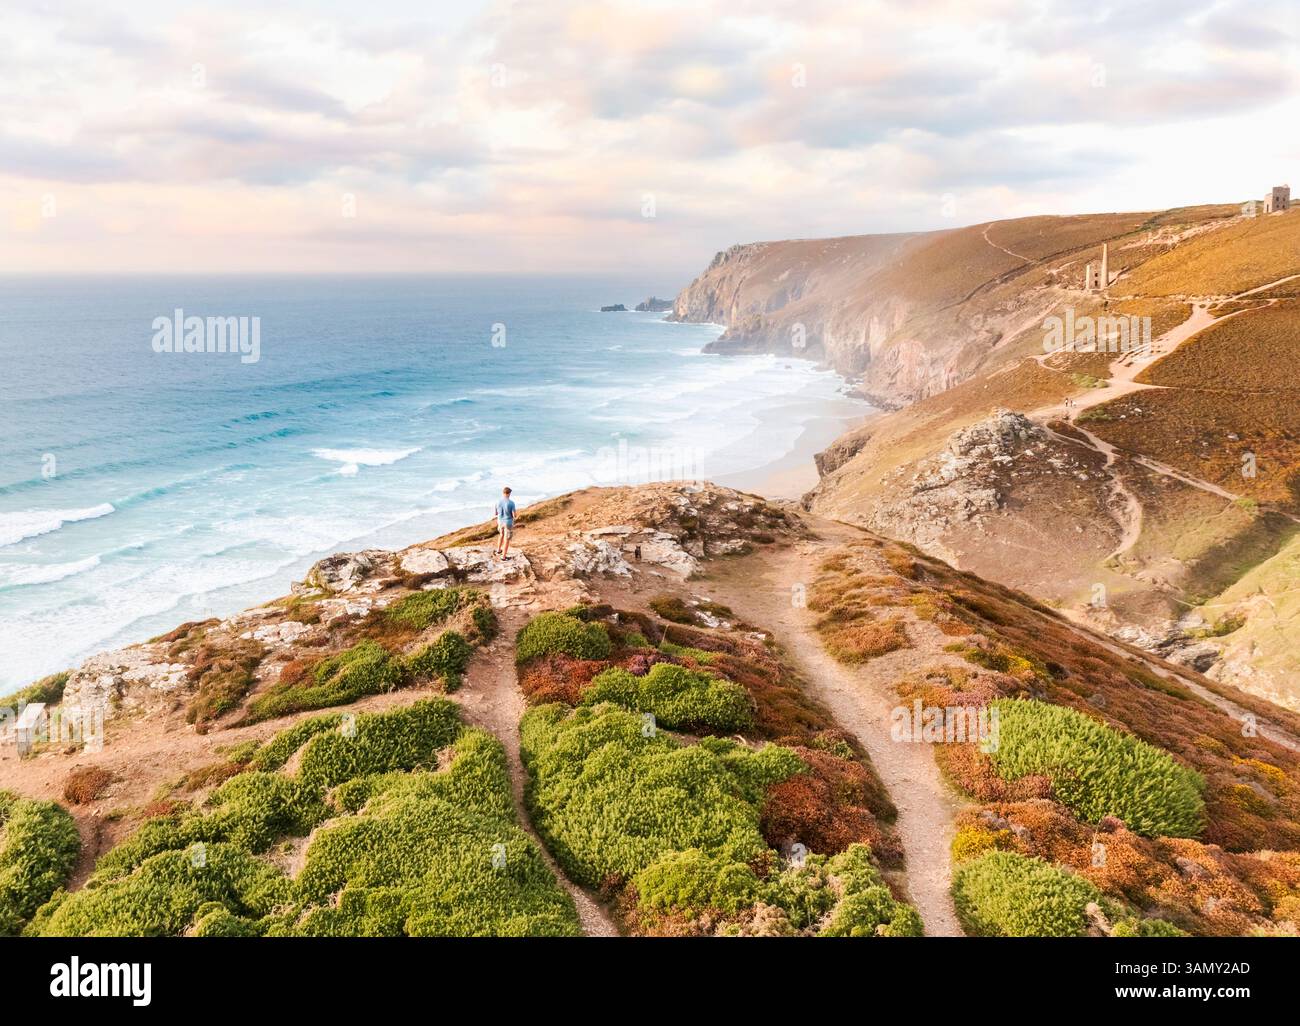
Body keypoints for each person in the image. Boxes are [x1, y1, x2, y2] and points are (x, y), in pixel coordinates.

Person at [494, 487, 517, 557]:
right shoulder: (511, 503)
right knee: (506, 539)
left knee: (501, 535)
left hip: (500, 522)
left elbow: (496, 513)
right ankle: (503, 557)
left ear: (503, 493)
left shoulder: (497, 502)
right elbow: (514, 515)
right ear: (509, 493)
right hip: (508, 522)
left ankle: (498, 550)